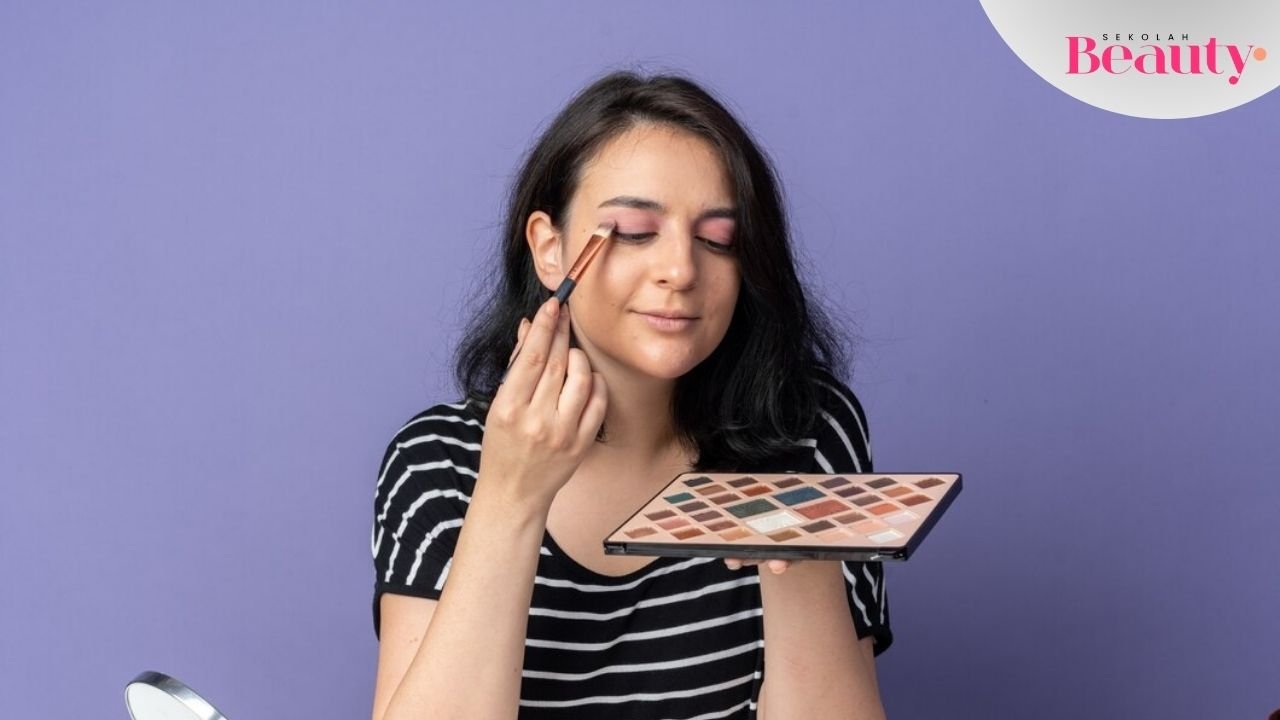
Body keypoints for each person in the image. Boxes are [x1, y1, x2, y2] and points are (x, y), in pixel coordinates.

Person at [369, 69, 890, 720]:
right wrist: (509, 494)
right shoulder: (438, 463)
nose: (680, 269)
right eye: (636, 232)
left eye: (717, 239)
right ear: (551, 249)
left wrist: (799, 556)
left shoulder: (808, 429)